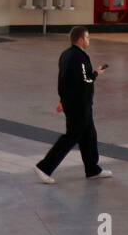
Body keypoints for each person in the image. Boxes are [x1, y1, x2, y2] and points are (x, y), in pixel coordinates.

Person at [35, 26, 112, 183]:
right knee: (71, 136)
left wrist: (63, 101)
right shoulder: (80, 58)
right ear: (80, 39)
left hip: (76, 103)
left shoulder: (66, 55)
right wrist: (96, 73)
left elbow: (63, 81)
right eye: (88, 37)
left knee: (89, 135)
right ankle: (44, 167)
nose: (89, 40)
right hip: (79, 105)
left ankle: (92, 169)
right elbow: (86, 80)